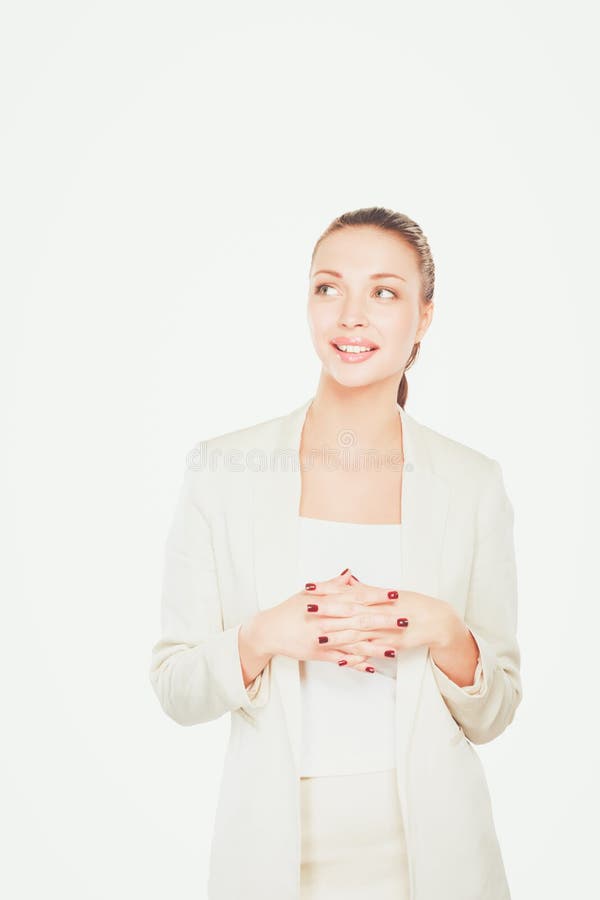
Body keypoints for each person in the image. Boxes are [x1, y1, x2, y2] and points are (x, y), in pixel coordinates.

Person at [149, 206, 522, 900]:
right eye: (329, 288)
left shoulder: (472, 484)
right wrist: (265, 635)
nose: (352, 315)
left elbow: (494, 712)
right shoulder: (222, 470)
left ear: (425, 317)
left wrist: (441, 627)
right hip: (273, 855)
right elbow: (175, 685)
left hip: (436, 859)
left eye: (384, 292)